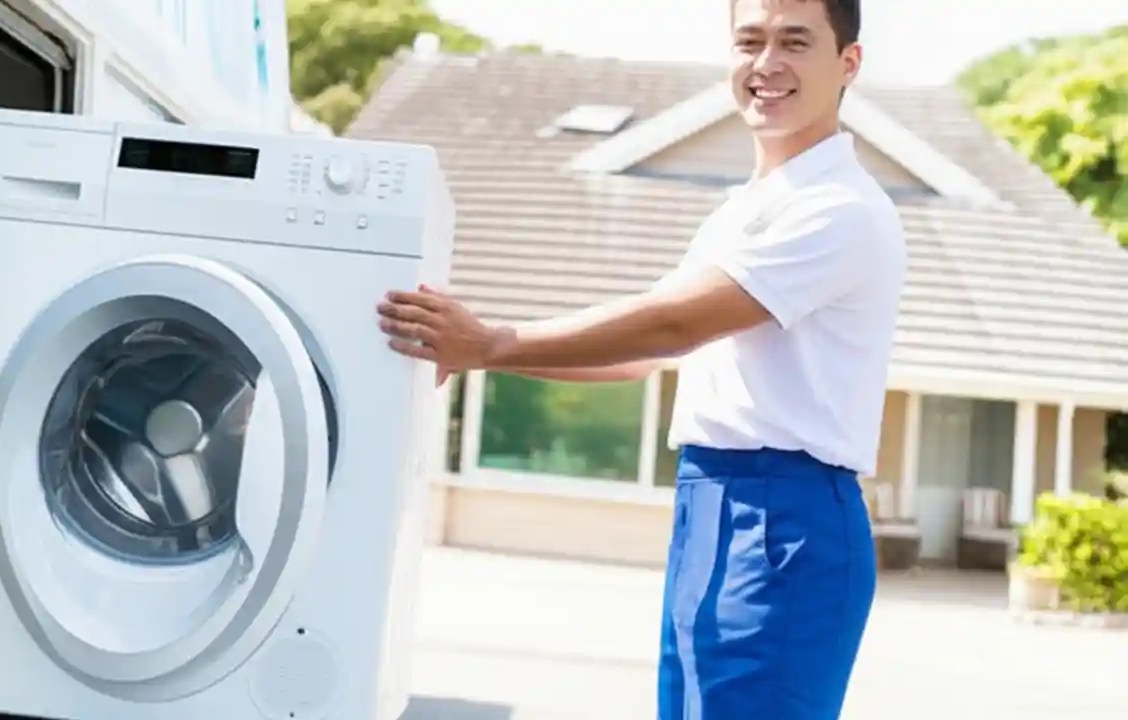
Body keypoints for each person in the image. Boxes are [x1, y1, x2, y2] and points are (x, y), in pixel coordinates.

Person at [376, 0, 905, 717]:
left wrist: (493, 340)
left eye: (795, 42)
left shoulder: (840, 208)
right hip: (712, 505)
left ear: (849, 62)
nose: (766, 63)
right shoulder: (747, 208)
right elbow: (636, 358)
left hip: (784, 519)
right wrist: (482, 356)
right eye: (749, 41)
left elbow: (672, 326)